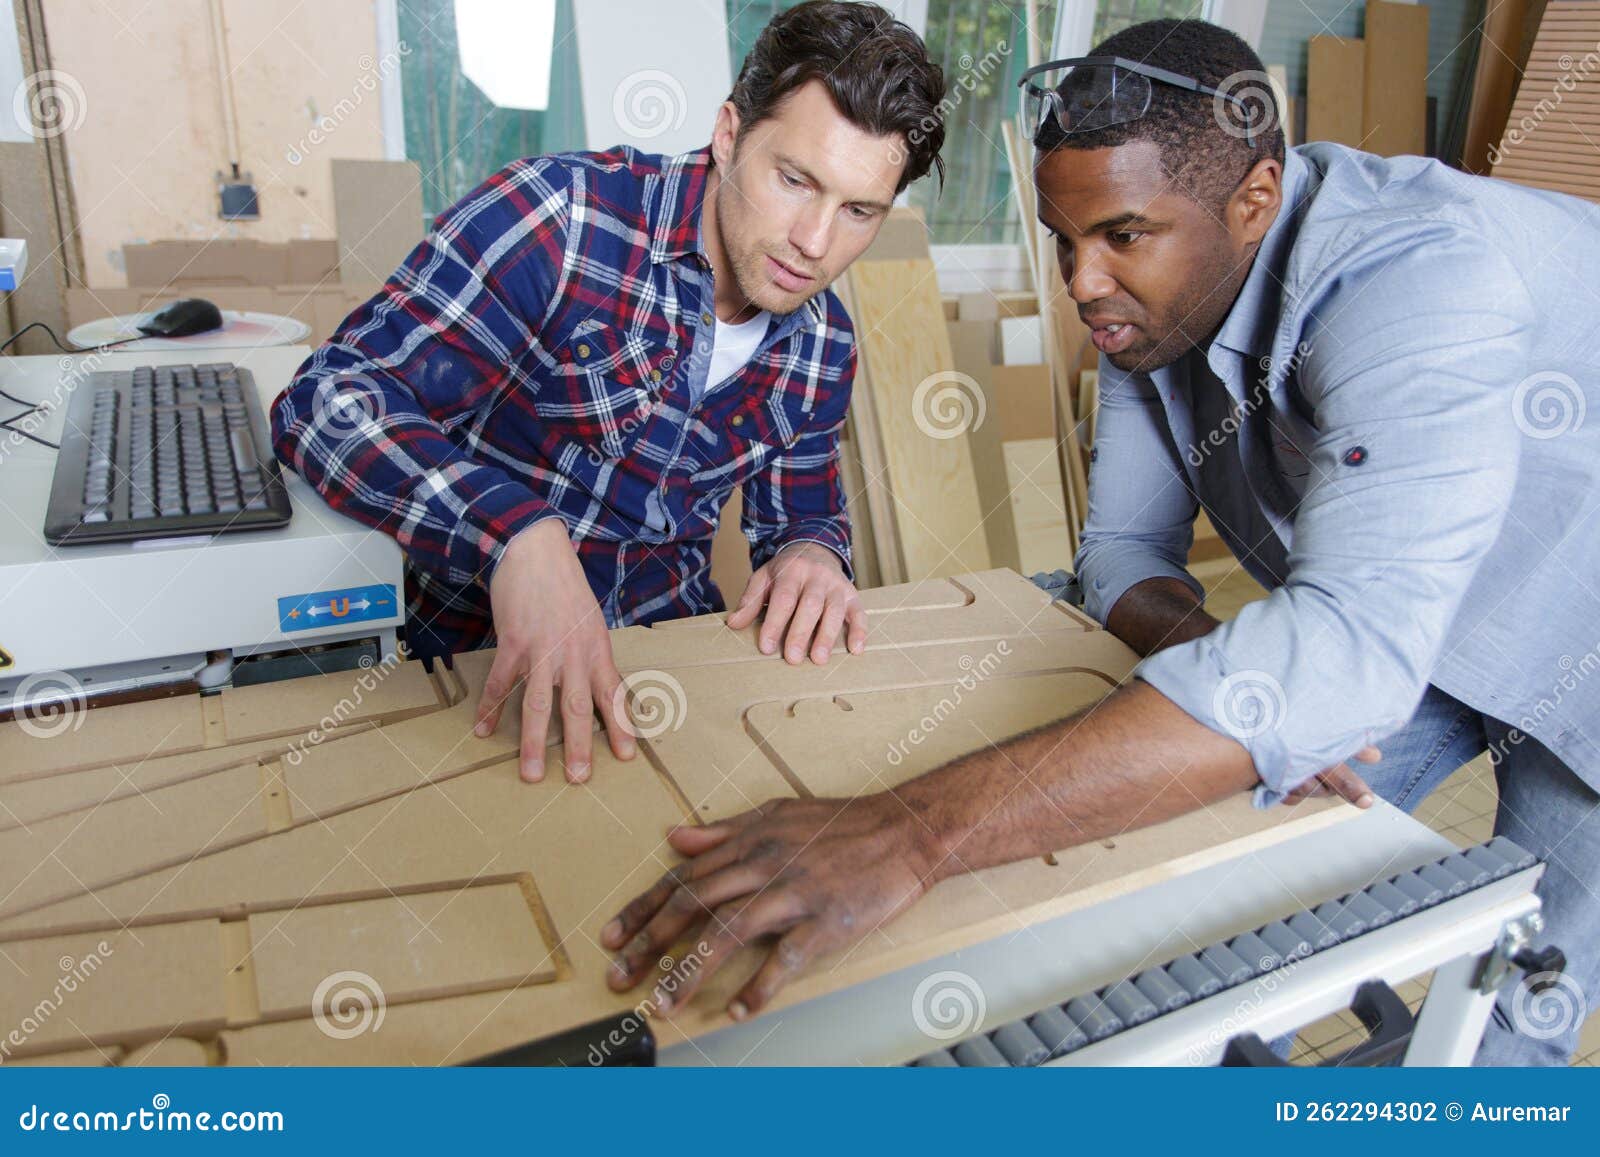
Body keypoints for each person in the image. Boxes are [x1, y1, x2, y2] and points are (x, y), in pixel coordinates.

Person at [603, 18, 1600, 1067]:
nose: (1081, 285)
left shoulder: (1416, 280)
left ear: (1252, 201)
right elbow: (1123, 554)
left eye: (1122, 236)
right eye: (1061, 239)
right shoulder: (1148, 310)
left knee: (1508, 1004)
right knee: (1222, 891)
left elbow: (1345, 656)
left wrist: (912, 826)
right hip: (1412, 606)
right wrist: (1249, 683)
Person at [272, 2, 945, 784]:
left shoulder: (823, 342)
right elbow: (327, 399)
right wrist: (513, 533)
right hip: (473, 680)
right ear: (728, 135)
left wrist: (811, 556)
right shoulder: (560, 222)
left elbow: (801, 511)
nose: (816, 243)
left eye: (859, 210)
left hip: (669, 679)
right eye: (795, 181)